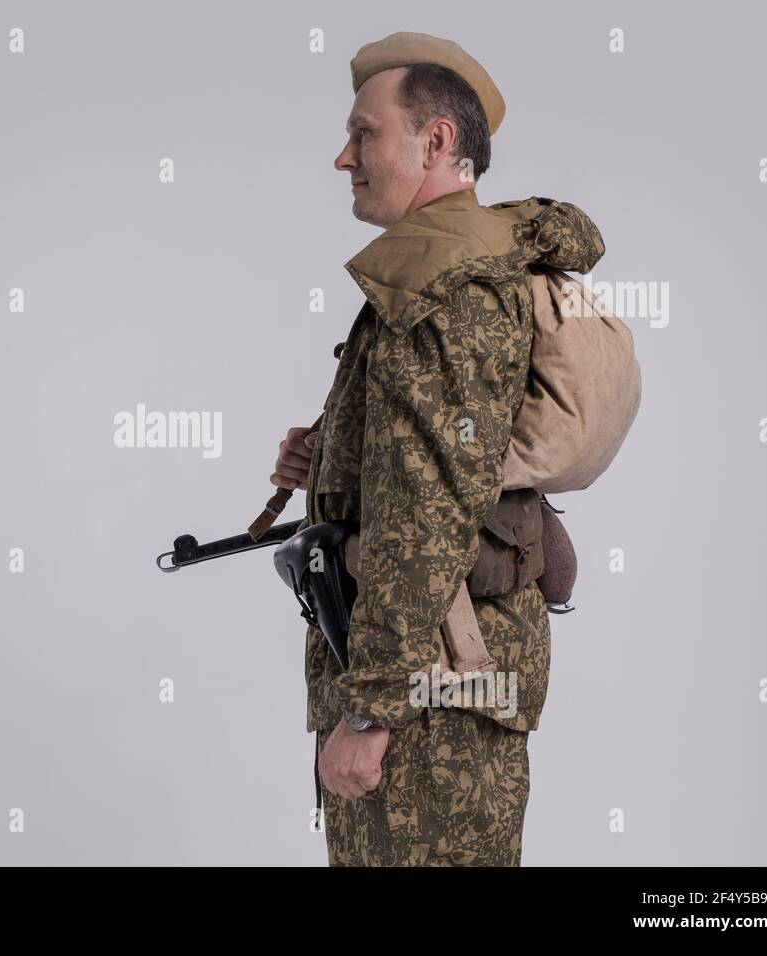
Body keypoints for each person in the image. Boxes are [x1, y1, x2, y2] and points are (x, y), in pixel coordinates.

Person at [270, 32, 605, 866]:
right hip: (437, 683)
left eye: (363, 134)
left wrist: (368, 712)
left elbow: (426, 514)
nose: (342, 157)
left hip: (431, 697)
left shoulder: (446, 284)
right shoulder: (440, 268)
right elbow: (431, 466)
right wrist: (335, 462)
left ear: (436, 142)